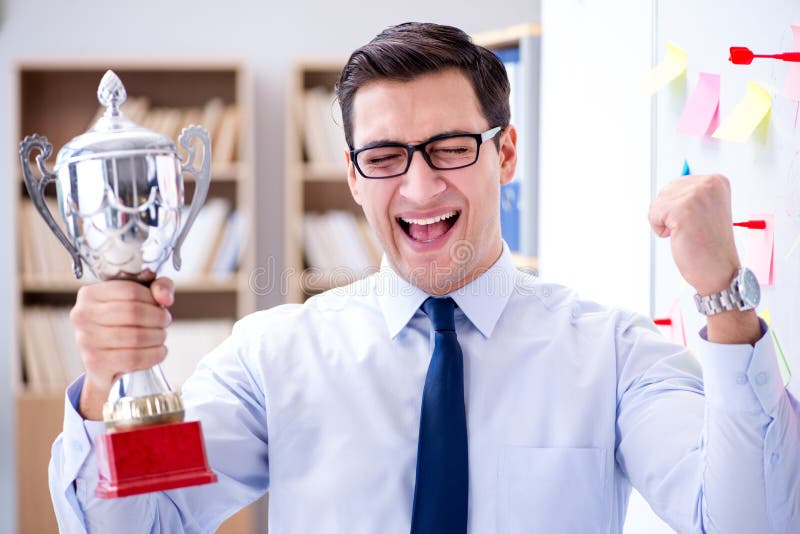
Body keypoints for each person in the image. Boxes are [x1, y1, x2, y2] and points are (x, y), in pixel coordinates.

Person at [51, 22, 799, 534]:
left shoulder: (613, 352)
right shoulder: (270, 359)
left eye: (448, 147)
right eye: (384, 157)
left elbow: (750, 519)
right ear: (351, 175)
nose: (417, 189)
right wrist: (99, 388)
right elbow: (137, 522)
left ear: (504, 155)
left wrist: (724, 300)